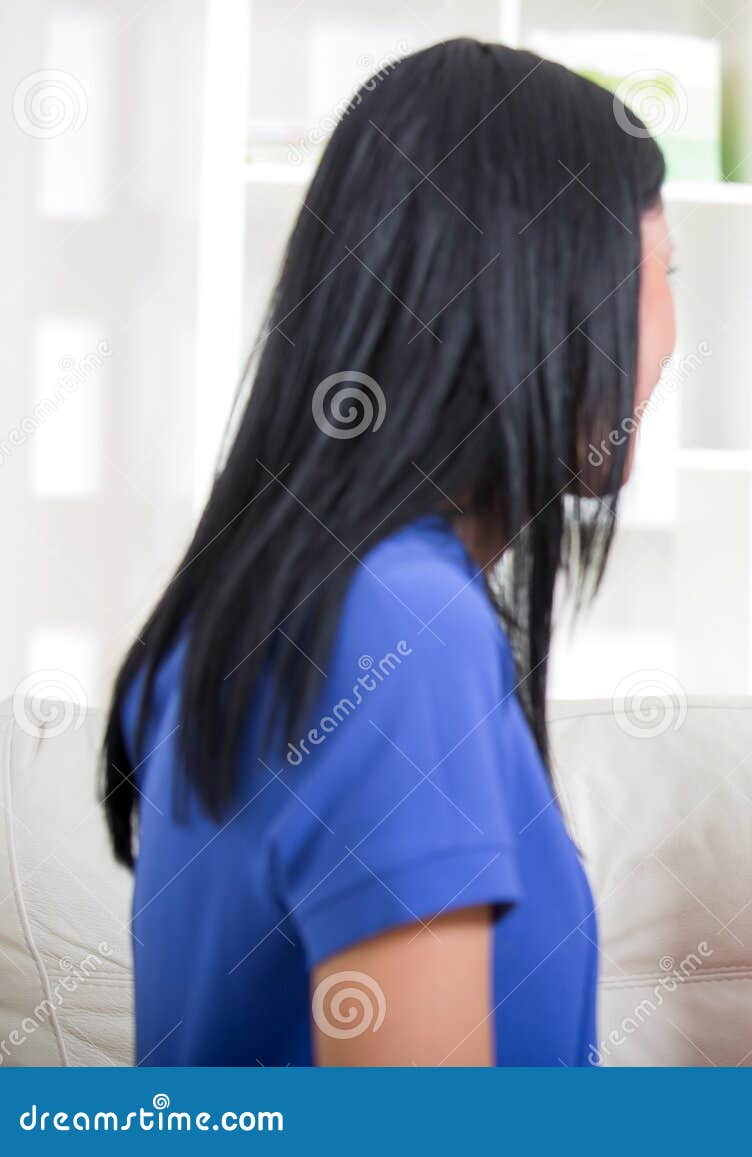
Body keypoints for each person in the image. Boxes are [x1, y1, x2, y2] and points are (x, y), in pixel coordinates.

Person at [102, 38, 676, 1065]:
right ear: (549, 291)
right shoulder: (406, 623)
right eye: (659, 274)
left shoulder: (252, 603)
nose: (669, 334)